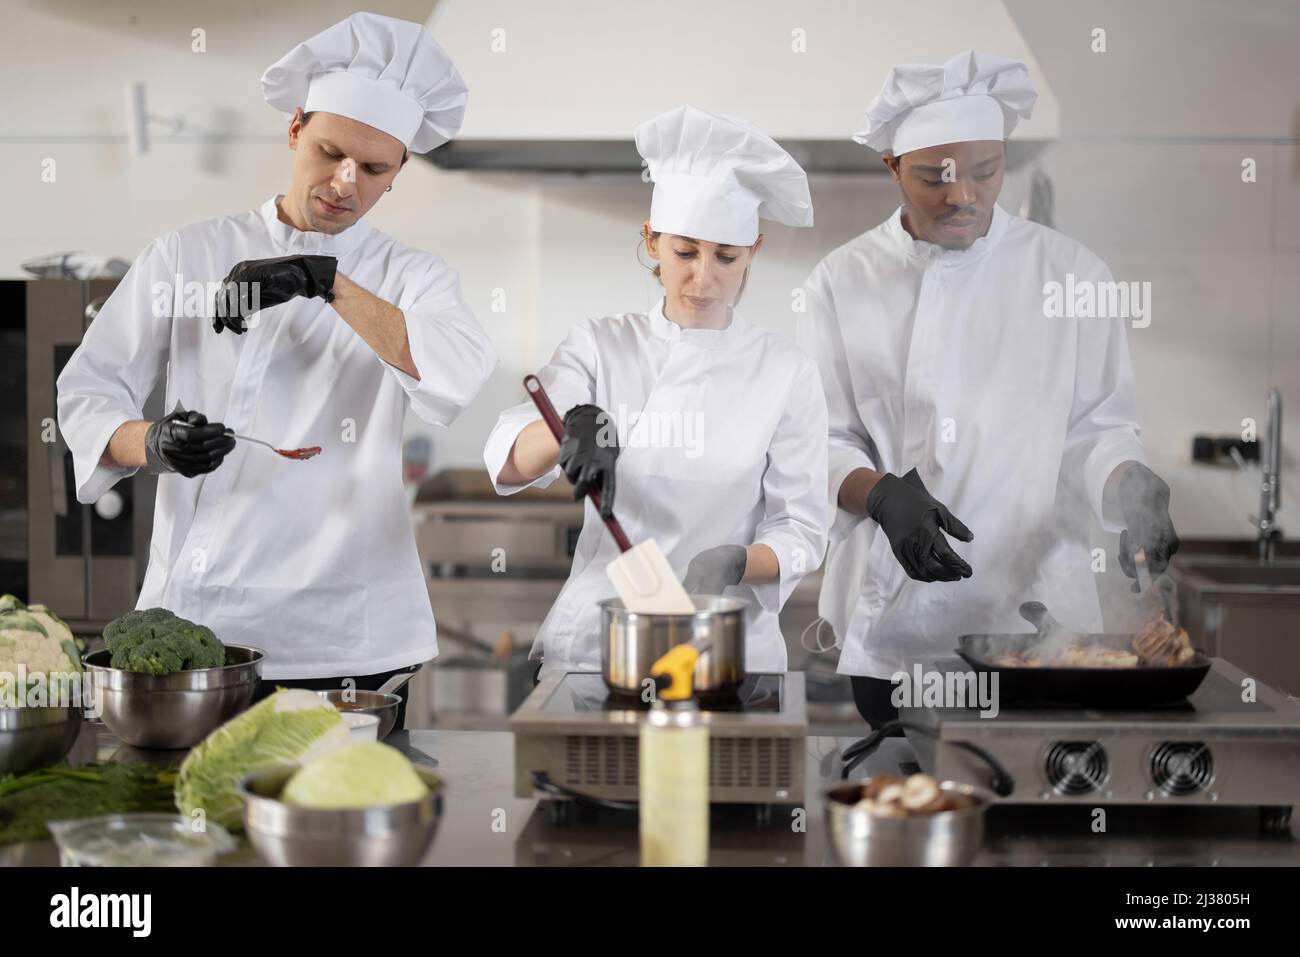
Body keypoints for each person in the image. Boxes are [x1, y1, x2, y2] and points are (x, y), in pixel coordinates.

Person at [56, 13, 497, 725]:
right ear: (294, 129)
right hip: (202, 632)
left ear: (399, 171)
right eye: (328, 151)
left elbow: (458, 372)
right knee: (192, 828)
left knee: (332, 829)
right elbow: (86, 391)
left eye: (375, 169)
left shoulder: (410, 277)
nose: (344, 183)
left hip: (350, 643)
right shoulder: (185, 256)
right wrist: (154, 442)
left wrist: (324, 280)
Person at [799, 51, 1179, 732]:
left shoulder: (1073, 275)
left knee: (1031, 820)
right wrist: (878, 493)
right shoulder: (841, 281)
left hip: (1040, 633)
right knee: (907, 806)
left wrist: (1128, 484)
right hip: (896, 634)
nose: (964, 196)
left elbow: (1098, 431)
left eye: (985, 172)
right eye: (934, 177)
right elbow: (822, 439)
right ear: (892, 166)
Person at [484, 106, 830, 677]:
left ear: (754, 250)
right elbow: (510, 460)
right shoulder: (599, 346)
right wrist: (566, 434)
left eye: (727, 257)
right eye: (685, 252)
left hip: (725, 651)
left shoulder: (786, 371)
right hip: (598, 649)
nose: (704, 278)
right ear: (652, 240)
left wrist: (739, 561)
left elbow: (803, 530)